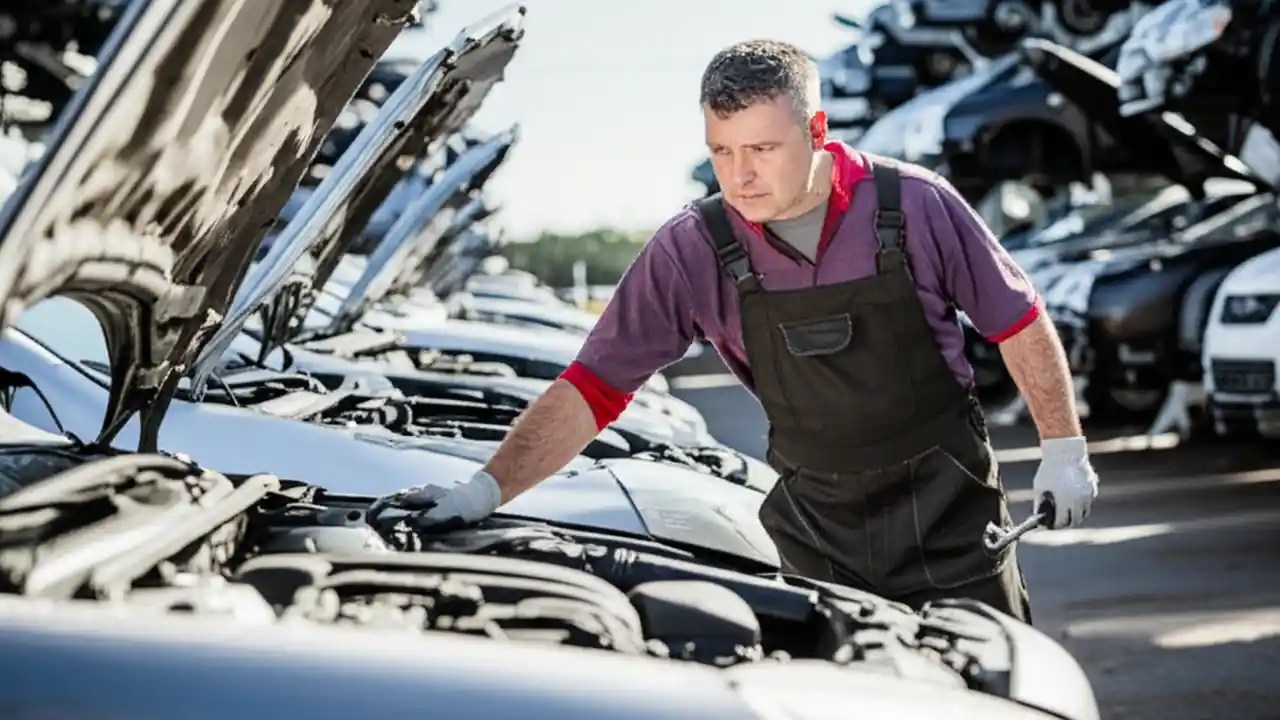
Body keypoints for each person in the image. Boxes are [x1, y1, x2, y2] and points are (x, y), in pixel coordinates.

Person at [375, 39, 1099, 622]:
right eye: (722, 151)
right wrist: (484, 491)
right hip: (822, 537)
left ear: (816, 131)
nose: (739, 175)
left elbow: (1019, 321)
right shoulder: (694, 247)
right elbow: (592, 387)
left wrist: (1063, 448)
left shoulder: (914, 206)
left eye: (761, 149)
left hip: (954, 519)